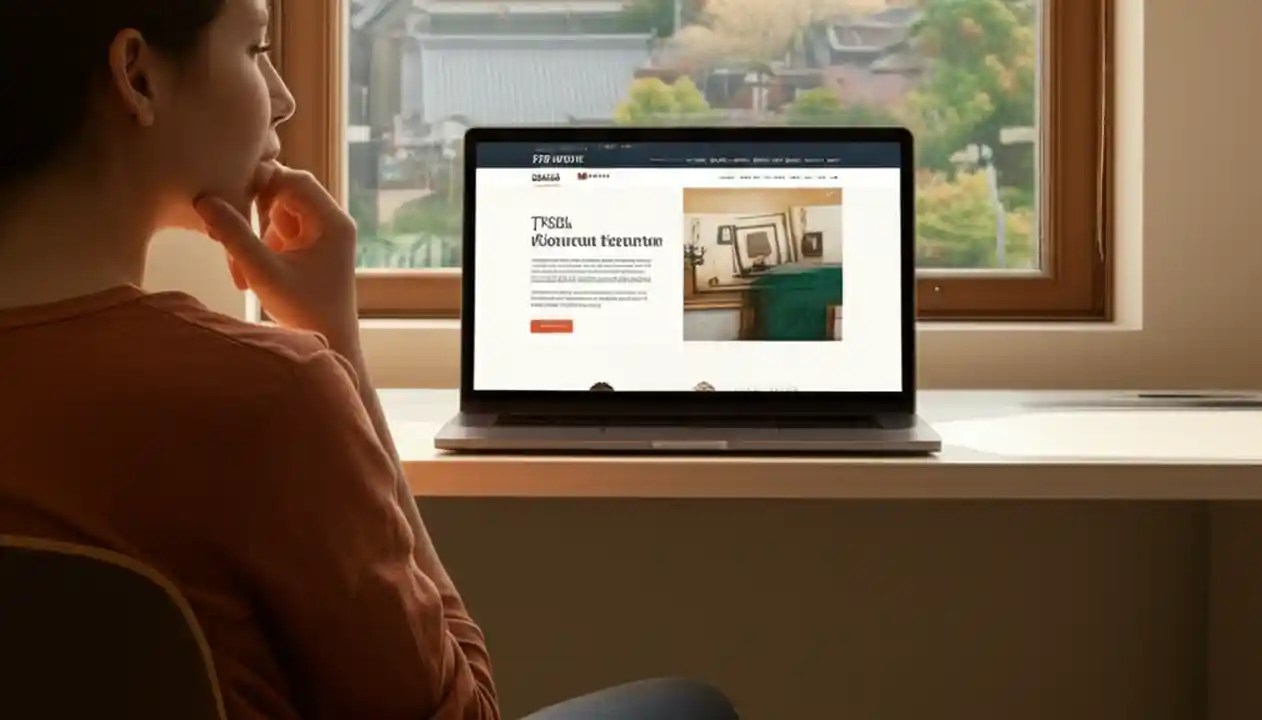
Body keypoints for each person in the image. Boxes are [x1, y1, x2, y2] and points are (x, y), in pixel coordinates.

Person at [0, 2, 737, 719]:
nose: (285, 100)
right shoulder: (263, 398)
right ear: (138, 76)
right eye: (256, 49)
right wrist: (335, 343)